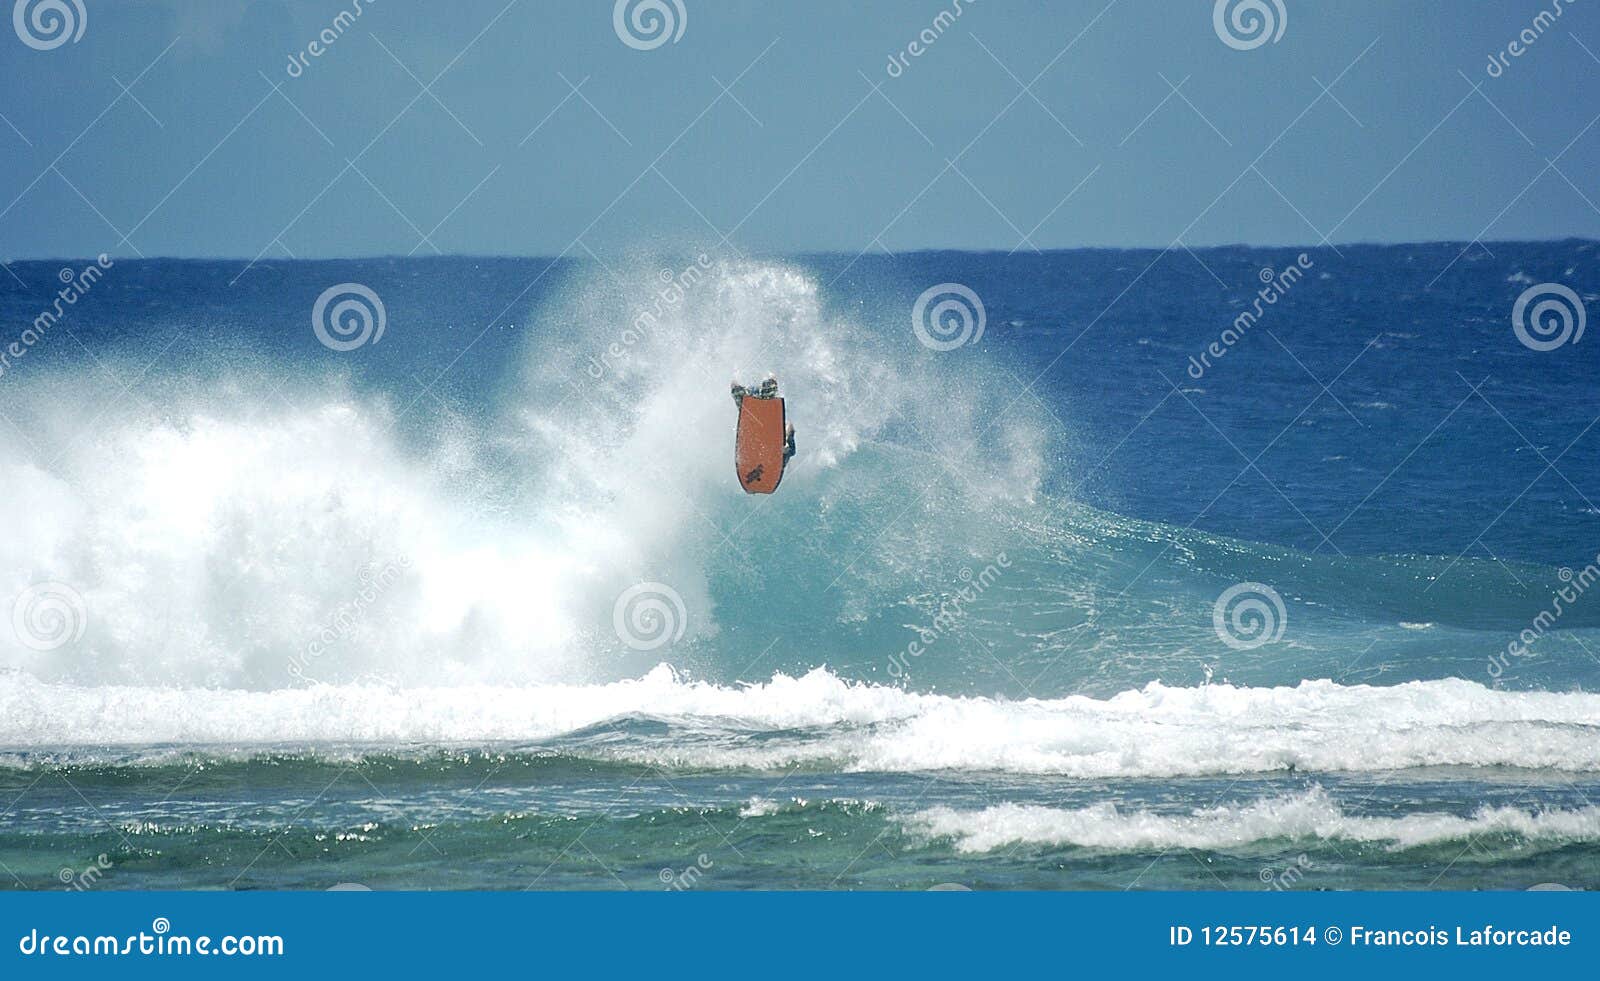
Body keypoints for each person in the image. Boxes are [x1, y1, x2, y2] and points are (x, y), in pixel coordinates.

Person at [731, 376, 795, 461]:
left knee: (738, 391)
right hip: (766, 420)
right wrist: (787, 438)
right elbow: (790, 427)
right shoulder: (786, 454)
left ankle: (737, 385)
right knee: (767, 389)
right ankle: (769, 380)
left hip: (755, 422)